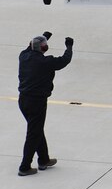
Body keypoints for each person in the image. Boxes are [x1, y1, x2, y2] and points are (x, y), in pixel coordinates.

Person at [17, 31, 74, 176]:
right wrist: (69, 47)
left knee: (36, 130)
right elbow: (64, 60)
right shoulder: (46, 62)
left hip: (23, 100)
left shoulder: (23, 56)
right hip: (37, 102)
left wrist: (44, 37)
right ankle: (24, 167)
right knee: (33, 133)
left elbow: (31, 46)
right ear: (43, 48)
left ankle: (44, 159)